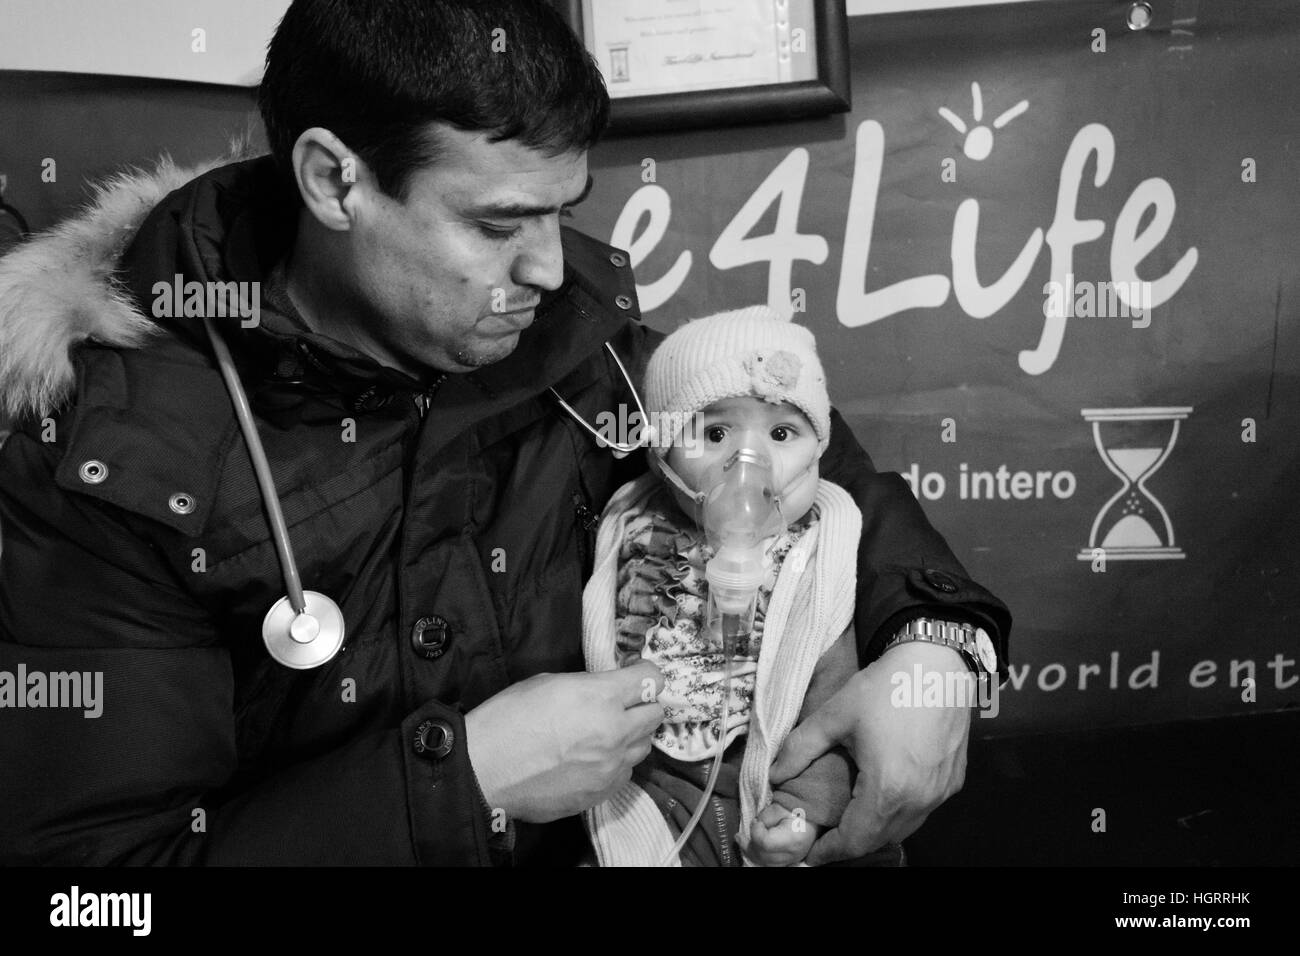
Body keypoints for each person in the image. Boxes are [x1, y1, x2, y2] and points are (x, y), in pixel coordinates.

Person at [0, 0, 1010, 866]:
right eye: (496, 224)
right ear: (333, 181)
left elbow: (804, 467)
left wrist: (938, 649)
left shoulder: (583, 343)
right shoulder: (108, 457)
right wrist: (464, 778)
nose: (547, 268)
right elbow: (96, 893)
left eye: (561, 211)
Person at [583, 306, 863, 867]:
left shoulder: (819, 553)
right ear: (663, 458)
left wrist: (806, 805)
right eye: (714, 433)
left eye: (782, 433)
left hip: (773, 769)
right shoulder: (632, 527)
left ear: (818, 454)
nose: (748, 464)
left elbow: (832, 698)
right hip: (654, 775)